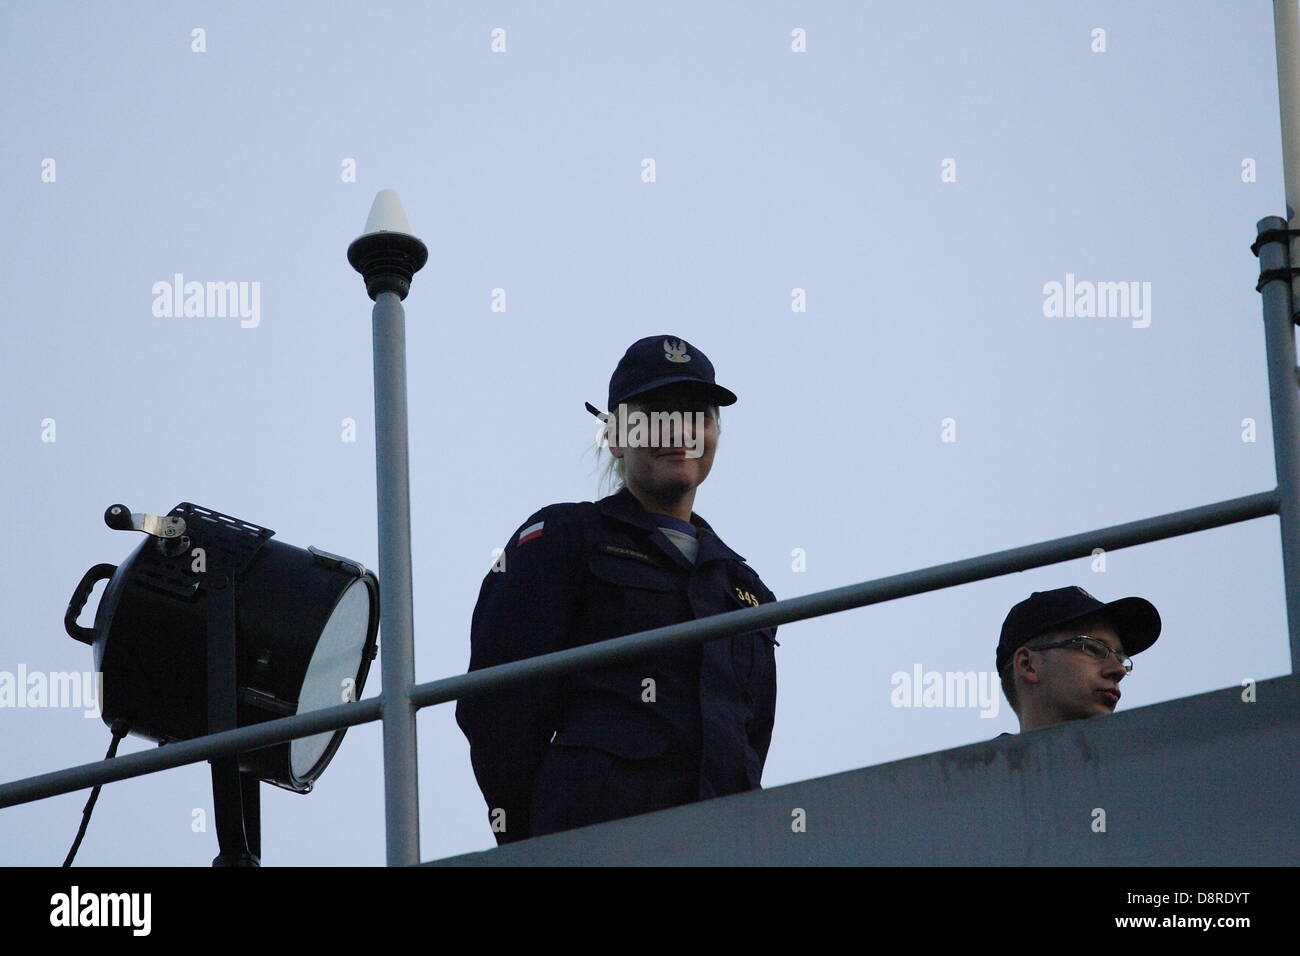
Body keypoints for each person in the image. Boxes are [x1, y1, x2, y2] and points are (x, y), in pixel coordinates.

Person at [456, 334, 779, 844]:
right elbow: (498, 708)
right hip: (594, 839)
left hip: (730, 842)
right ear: (615, 436)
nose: (680, 431)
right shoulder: (563, 538)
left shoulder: (745, 588)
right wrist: (538, 845)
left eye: (698, 414)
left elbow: (750, 737)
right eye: (655, 413)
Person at [995, 586, 1161, 733]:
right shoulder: (982, 766)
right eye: (1092, 648)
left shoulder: (1157, 760)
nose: (1119, 670)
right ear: (1028, 665)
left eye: (1121, 658)